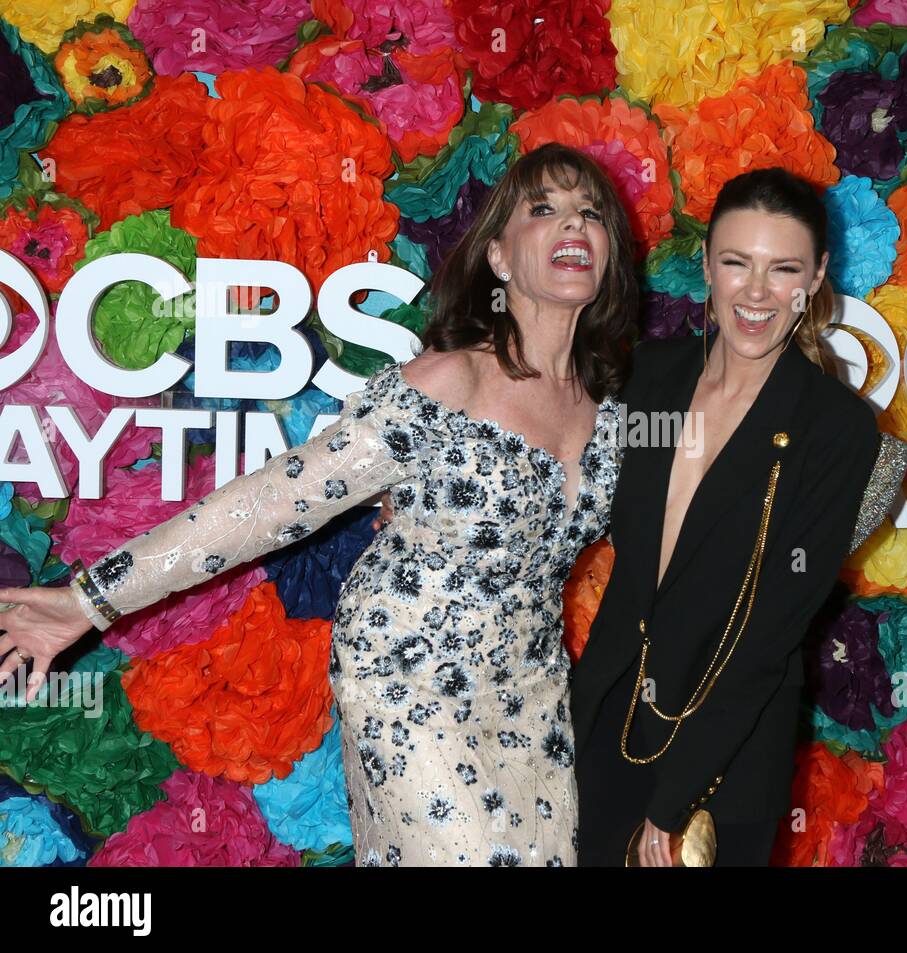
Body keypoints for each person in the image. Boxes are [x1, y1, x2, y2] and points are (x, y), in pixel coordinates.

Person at [0, 142, 639, 867]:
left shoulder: (615, 415)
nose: (572, 227)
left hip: (533, 700)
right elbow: (269, 504)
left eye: (591, 213)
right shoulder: (449, 381)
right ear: (498, 256)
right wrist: (91, 599)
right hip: (410, 682)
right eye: (544, 210)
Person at [569, 167, 907, 866]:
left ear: (814, 279)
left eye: (782, 268)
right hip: (604, 722)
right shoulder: (649, 377)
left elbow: (767, 638)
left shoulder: (835, 428)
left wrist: (674, 800)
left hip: (722, 752)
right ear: (707, 267)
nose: (756, 293)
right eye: (736, 263)